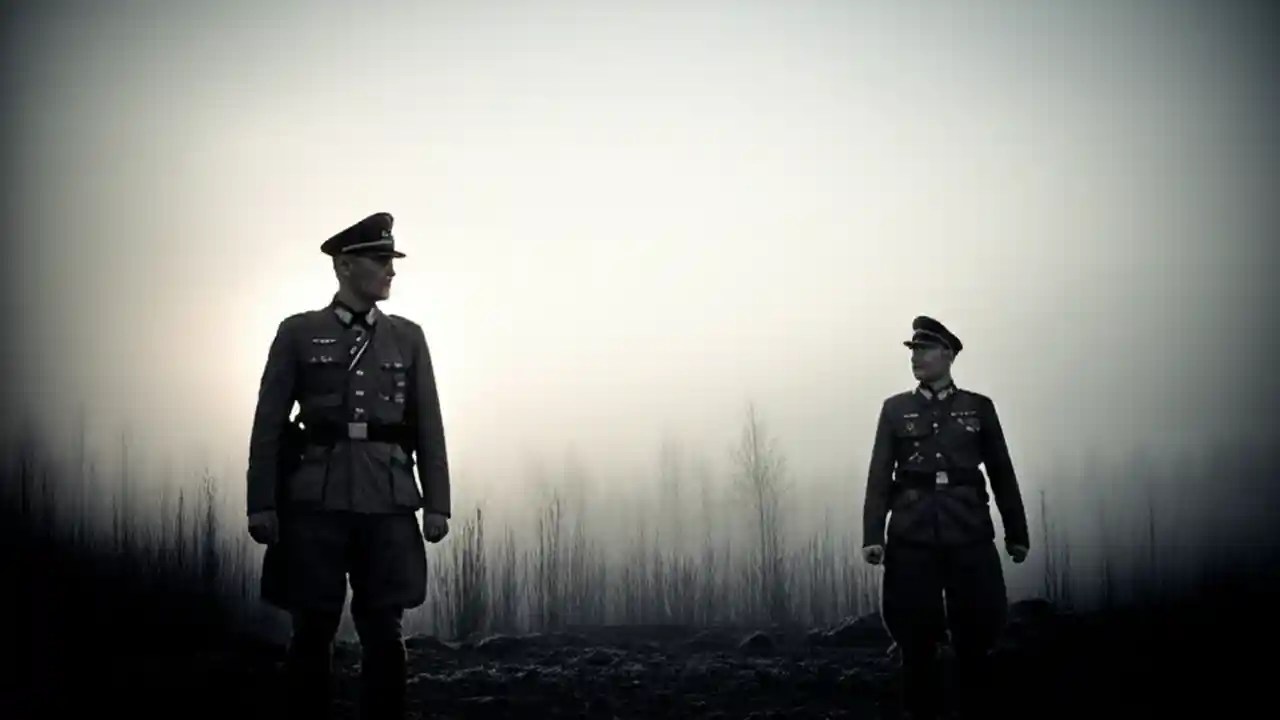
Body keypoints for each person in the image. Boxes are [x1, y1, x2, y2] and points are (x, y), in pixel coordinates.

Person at [245, 211, 452, 720]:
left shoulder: (408, 337)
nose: (391, 271)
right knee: (312, 627)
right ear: (345, 266)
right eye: (380, 260)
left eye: (391, 260)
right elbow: (268, 424)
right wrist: (262, 503)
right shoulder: (298, 332)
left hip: (387, 499)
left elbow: (429, 424)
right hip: (315, 500)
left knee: (385, 627)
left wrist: (438, 503)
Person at [860, 316, 1029, 720]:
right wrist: (873, 534)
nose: (916, 358)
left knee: (979, 625)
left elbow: (1002, 472)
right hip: (911, 531)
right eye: (913, 351)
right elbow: (880, 475)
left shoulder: (978, 408)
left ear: (948, 354)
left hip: (967, 529)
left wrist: (1016, 533)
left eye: (925, 350)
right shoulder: (895, 409)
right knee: (912, 632)